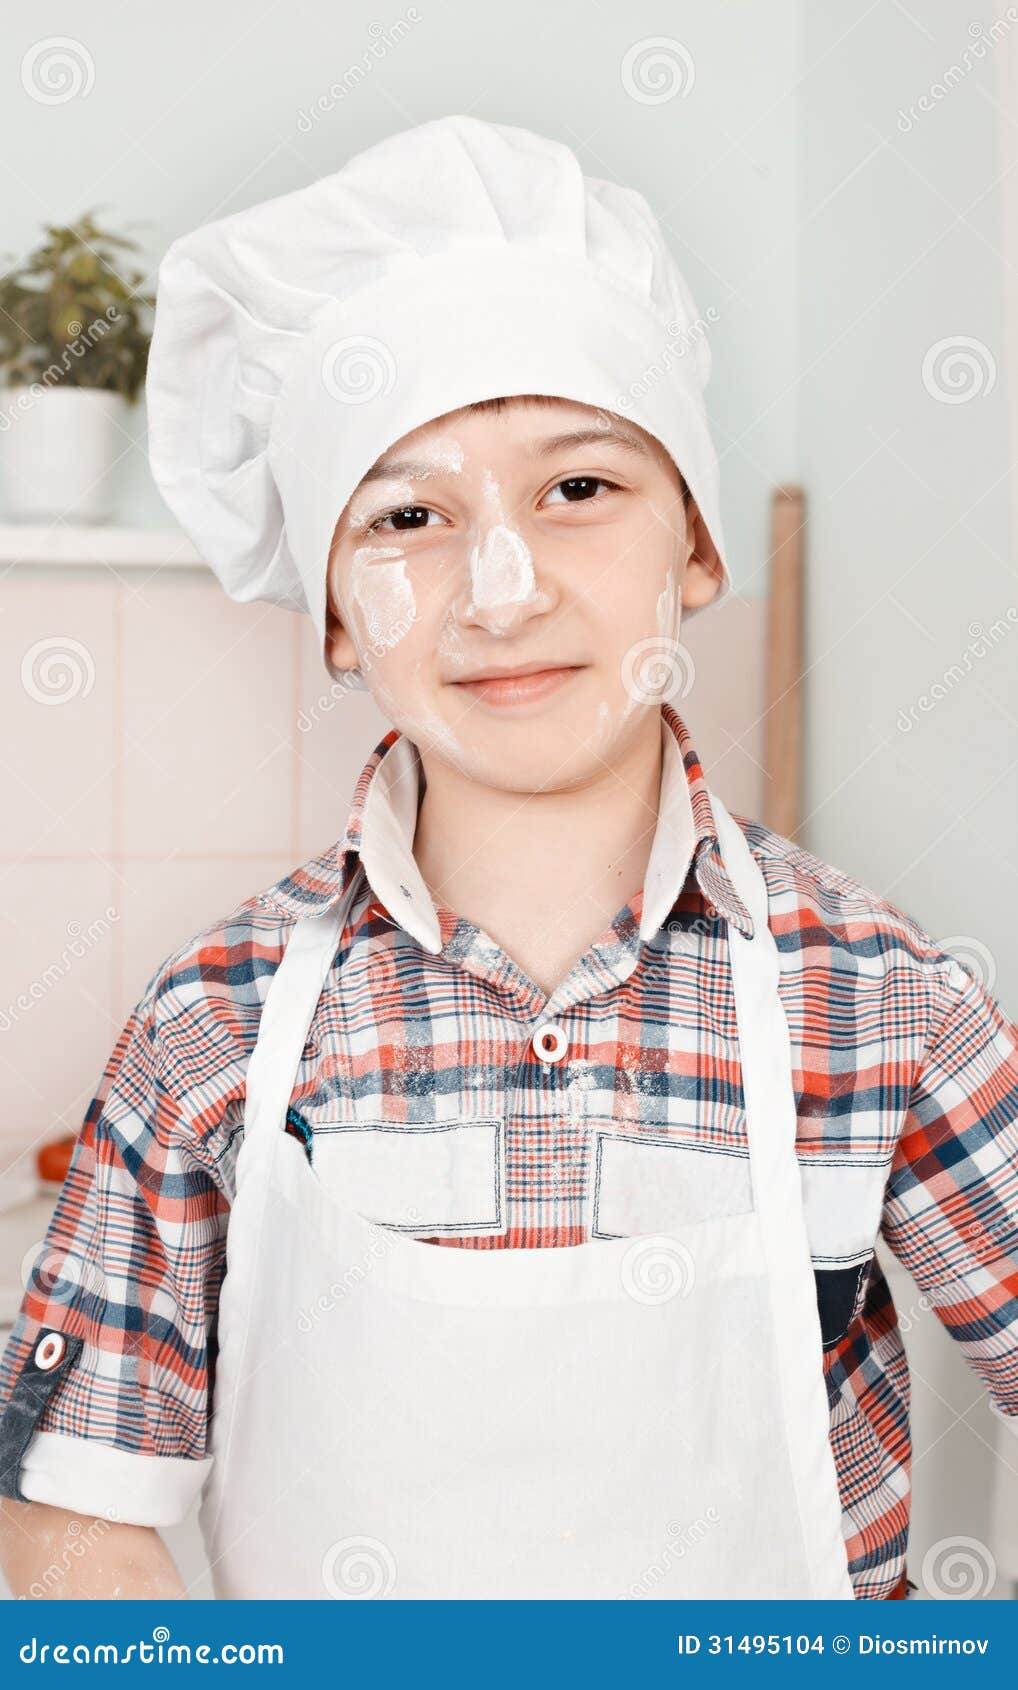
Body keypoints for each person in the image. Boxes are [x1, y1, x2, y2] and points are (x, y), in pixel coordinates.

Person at [1, 115, 1015, 1602]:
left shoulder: (881, 1002)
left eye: (579, 488)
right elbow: (71, 1515)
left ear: (696, 547)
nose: (500, 586)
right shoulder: (207, 1027)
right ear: (339, 616)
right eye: (408, 514)